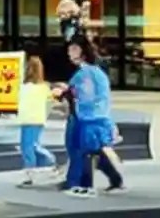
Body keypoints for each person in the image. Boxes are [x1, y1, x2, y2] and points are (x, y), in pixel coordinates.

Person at [58, 36, 125, 198]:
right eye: (69, 49)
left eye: (74, 49)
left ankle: (84, 185)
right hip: (94, 117)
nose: (69, 53)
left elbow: (85, 96)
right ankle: (114, 179)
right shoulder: (93, 72)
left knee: (84, 151)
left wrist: (65, 93)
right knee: (92, 150)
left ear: (83, 51)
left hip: (87, 118)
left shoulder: (86, 73)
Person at [17, 56, 59, 187]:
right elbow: (51, 101)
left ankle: (31, 174)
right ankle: (46, 163)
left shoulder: (24, 86)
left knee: (27, 147)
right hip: (37, 119)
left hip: (28, 119)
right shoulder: (43, 87)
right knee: (32, 146)